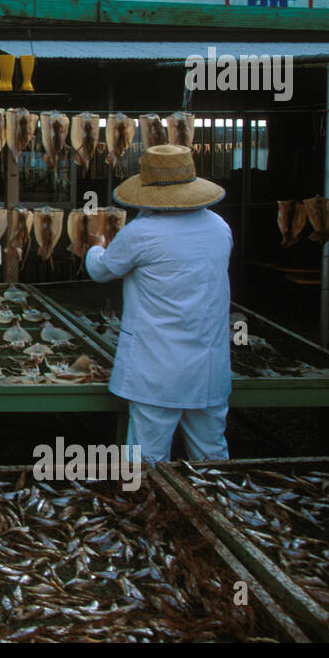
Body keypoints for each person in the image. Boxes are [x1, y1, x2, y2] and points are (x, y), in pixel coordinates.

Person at [84, 144, 233, 464]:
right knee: (212, 455)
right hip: (209, 367)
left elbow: (101, 270)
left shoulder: (142, 232)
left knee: (147, 458)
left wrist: (96, 245)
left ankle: (147, 511)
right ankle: (217, 507)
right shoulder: (220, 228)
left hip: (158, 370)